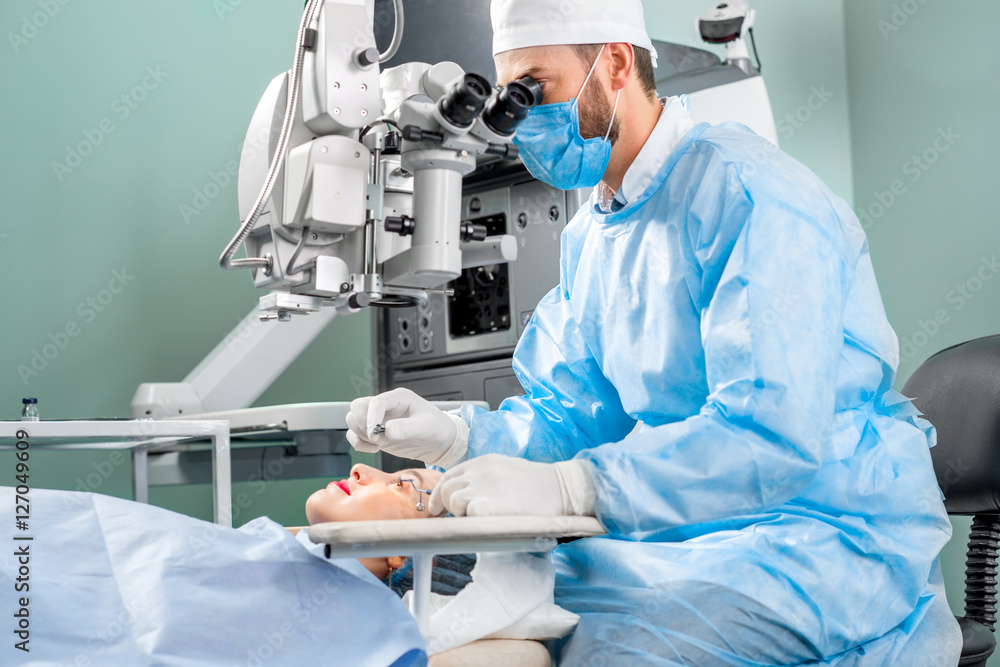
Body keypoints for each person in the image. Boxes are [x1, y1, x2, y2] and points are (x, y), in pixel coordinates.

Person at [345, 0, 964, 664]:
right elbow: (576, 415)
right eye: (512, 100)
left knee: (605, 651)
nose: (524, 122)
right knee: (463, 602)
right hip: (684, 540)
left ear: (613, 63)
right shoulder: (594, 235)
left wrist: (574, 487)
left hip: (821, 540)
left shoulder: (750, 194)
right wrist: (460, 434)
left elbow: (770, 434)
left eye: (536, 89)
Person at [0, 467, 444, 666]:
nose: (363, 468)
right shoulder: (275, 554)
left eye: (405, 484)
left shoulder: (364, 633)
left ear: (404, 556)